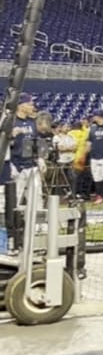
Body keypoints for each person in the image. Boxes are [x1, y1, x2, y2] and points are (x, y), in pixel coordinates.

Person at [4, 94, 52, 252]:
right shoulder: (9, 122)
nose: (32, 106)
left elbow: (37, 142)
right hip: (16, 166)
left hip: (31, 166)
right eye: (29, 103)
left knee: (36, 199)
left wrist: (41, 158)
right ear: (20, 105)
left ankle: (38, 233)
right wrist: (10, 136)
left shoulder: (32, 122)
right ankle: (14, 237)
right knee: (14, 202)